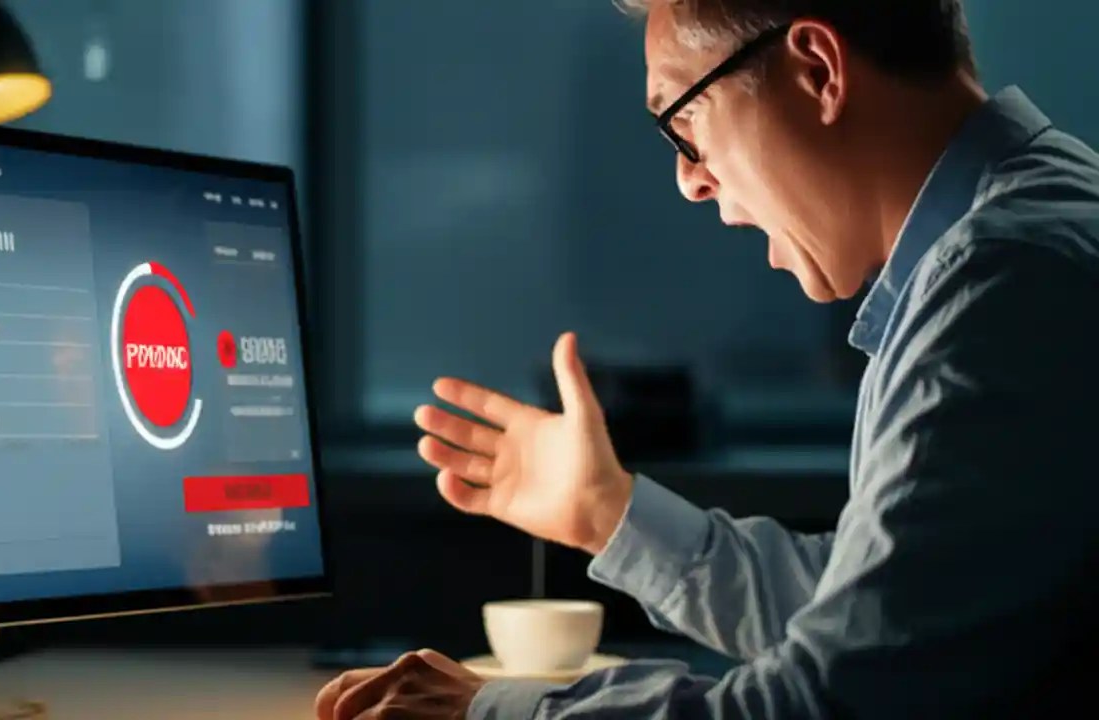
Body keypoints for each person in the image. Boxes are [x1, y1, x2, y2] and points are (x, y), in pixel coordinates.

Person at [315, 0, 1099, 717]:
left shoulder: (1005, 284)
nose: (689, 181)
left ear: (818, 71)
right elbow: (887, 615)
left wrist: (493, 713)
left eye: (681, 120)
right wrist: (609, 513)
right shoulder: (1023, 237)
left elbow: (826, 702)